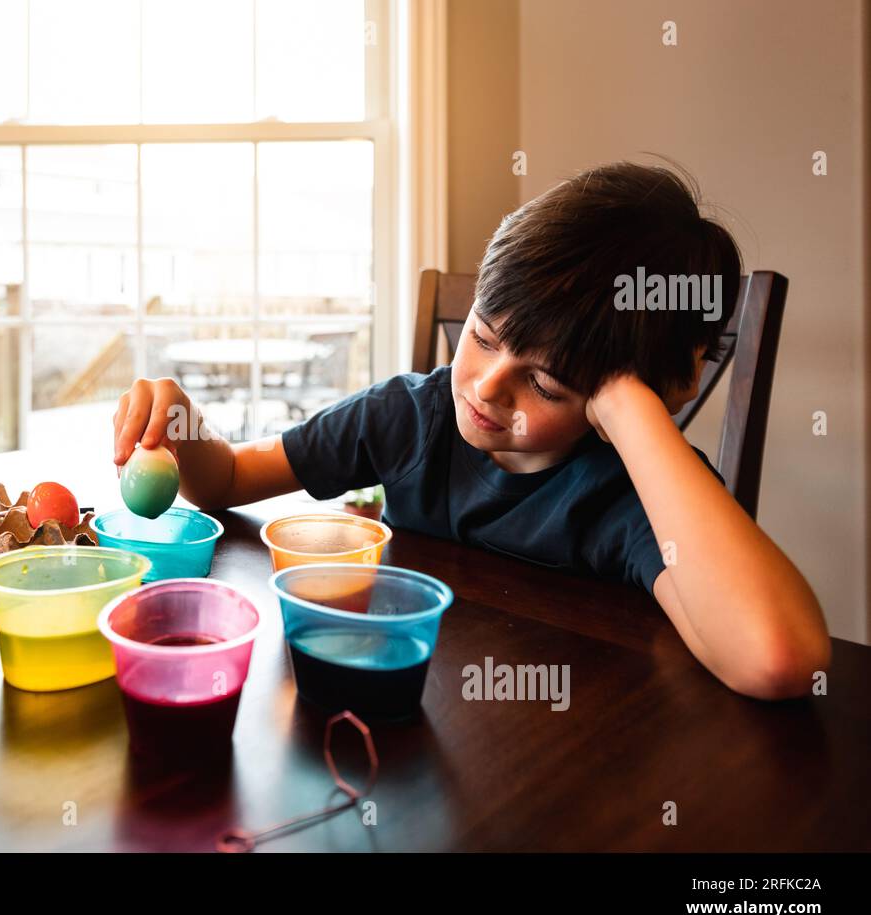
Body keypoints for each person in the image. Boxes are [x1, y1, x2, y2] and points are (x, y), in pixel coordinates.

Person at [111, 161, 829, 701]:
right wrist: (181, 420)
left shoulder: (629, 498)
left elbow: (776, 657)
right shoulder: (406, 417)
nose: (485, 386)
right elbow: (231, 480)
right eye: (482, 337)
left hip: (575, 745)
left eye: (546, 383)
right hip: (415, 712)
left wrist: (635, 404)